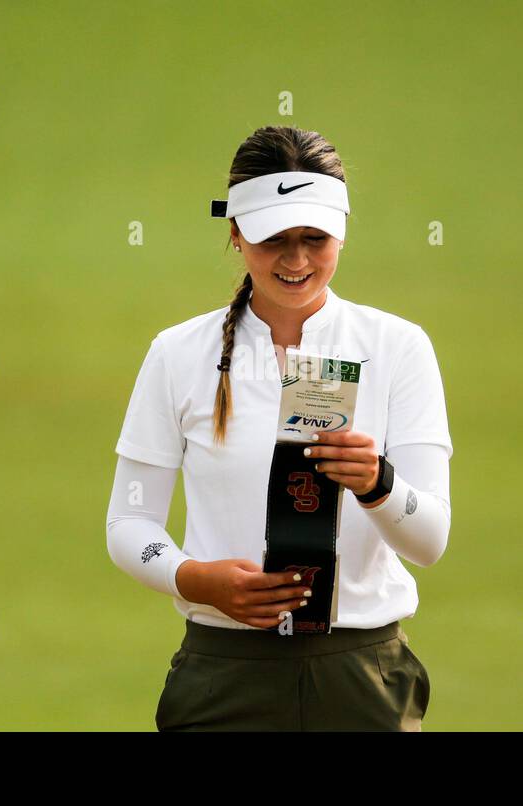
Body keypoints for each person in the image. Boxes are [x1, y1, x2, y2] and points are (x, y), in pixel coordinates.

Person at [105, 125, 453, 731]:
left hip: (362, 676)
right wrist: (194, 578)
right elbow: (130, 522)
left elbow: (429, 541)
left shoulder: (398, 348)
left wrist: (377, 484)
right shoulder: (177, 352)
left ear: (342, 233)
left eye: (314, 239)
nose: (296, 261)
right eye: (274, 240)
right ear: (236, 234)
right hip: (224, 672)